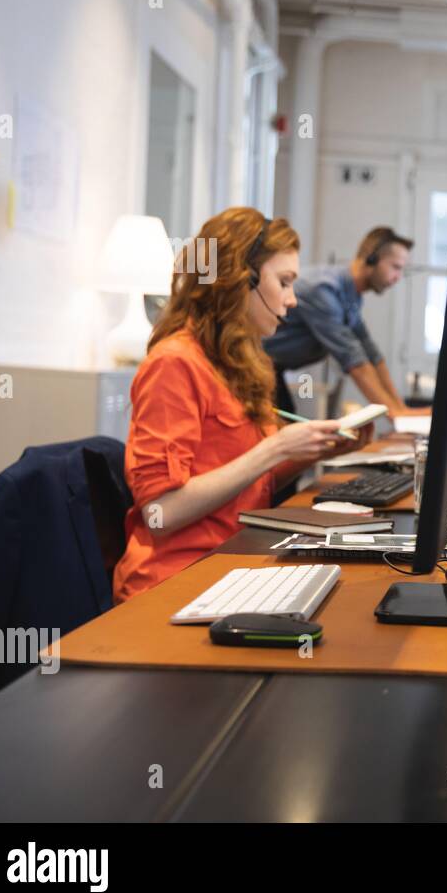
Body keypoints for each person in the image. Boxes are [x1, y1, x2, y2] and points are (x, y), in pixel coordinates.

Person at [112, 208, 371, 603]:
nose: (291, 299)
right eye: (284, 282)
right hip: (175, 583)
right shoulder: (175, 363)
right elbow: (160, 514)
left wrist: (317, 451)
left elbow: (247, 484)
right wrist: (275, 448)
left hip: (230, 566)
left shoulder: (240, 362)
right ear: (241, 280)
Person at [264, 226, 426, 421]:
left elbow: (371, 354)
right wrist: (394, 414)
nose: (398, 278)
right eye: (396, 267)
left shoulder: (351, 296)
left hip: (270, 368)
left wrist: (401, 409)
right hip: (249, 363)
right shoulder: (324, 289)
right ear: (371, 258)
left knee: (287, 427)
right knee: (280, 432)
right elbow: (353, 359)